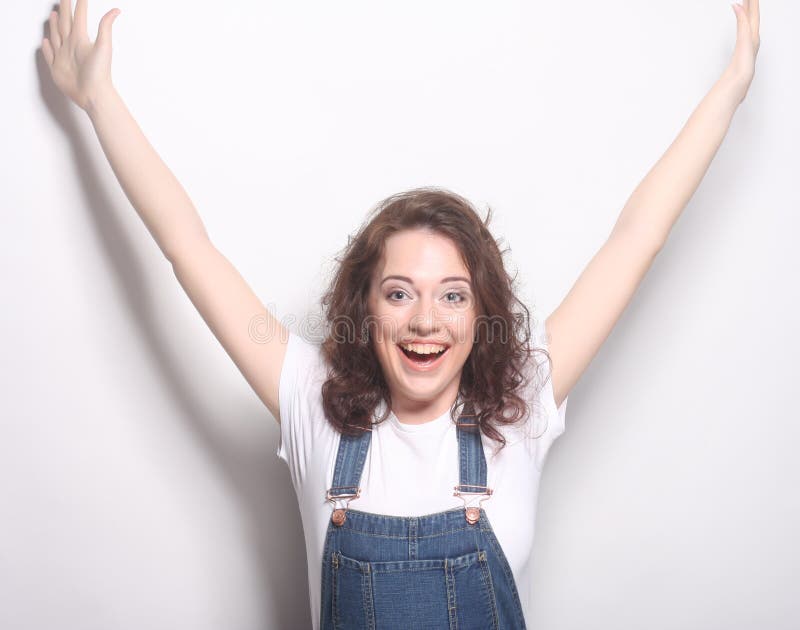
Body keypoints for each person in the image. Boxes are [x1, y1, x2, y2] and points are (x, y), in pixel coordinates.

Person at [40, 1, 761, 628]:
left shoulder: (523, 403)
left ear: (481, 316)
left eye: (452, 294)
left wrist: (728, 93)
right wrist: (100, 100)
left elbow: (637, 237)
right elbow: (185, 245)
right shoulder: (308, 399)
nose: (425, 320)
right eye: (398, 293)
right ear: (366, 308)